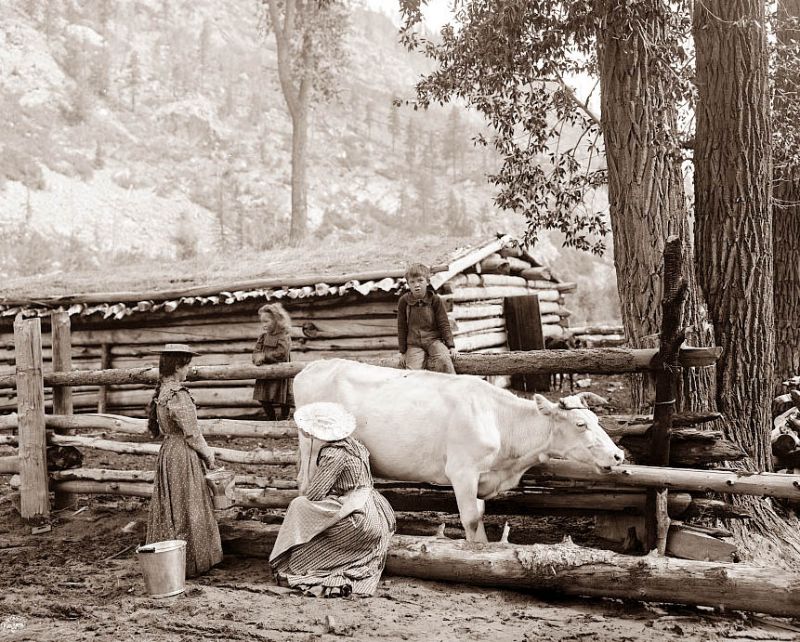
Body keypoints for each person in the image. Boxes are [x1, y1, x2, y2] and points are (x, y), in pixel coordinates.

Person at [270, 402, 396, 597]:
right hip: (375, 510)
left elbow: (315, 495)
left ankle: (308, 564)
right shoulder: (355, 445)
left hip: (358, 521)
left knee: (298, 509)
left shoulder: (334, 454)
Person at [145, 343, 223, 578]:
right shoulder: (179, 394)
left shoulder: (163, 392)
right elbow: (192, 433)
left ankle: (171, 558)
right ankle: (190, 562)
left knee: (172, 505)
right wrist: (208, 454)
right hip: (182, 454)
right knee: (188, 504)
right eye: (188, 365)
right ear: (178, 366)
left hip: (168, 452)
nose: (190, 370)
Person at [396, 262, 457, 374]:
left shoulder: (435, 300)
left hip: (434, 341)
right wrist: (403, 352)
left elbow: (443, 323)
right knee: (412, 373)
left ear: (427, 282)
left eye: (420, 280)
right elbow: (401, 326)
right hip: (414, 344)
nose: (416, 285)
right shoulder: (404, 301)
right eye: (412, 282)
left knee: (444, 360)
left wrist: (451, 345)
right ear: (408, 284)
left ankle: (452, 389)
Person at [252, 303, 293, 421]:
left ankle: (285, 418)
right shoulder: (263, 337)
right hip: (265, 373)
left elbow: (282, 353)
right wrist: (256, 358)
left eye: (266, 321)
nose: (263, 325)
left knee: (283, 398)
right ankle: (272, 419)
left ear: (276, 321)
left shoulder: (283, 336)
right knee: (263, 398)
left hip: (281, 372)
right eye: (262, 322)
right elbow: (256, 351)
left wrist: (264, 356)